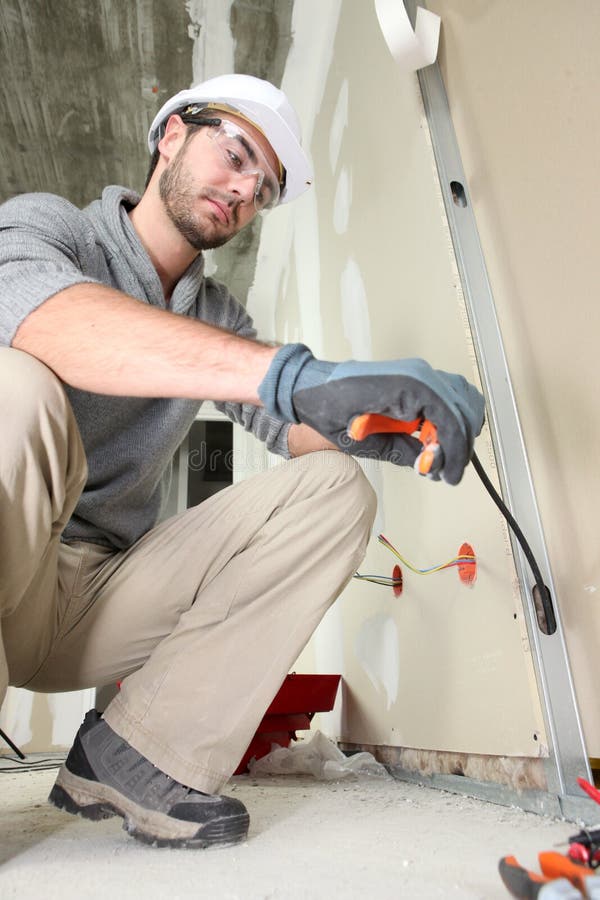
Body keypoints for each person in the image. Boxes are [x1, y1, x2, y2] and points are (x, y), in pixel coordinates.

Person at [0, 74, 484, 849]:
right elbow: (42, 321)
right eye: (235, 154)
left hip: (91, 603)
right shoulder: (50, 229)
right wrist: (284, 373)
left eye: (262, 187)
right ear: (169, 136)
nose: (245, 188)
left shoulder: (218, 315)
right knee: (15, 385)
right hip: (11, 558)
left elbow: (288, 424)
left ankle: (138, 756)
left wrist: (380, 419)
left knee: (334, 490)